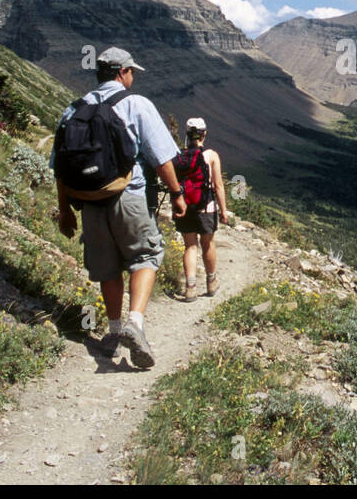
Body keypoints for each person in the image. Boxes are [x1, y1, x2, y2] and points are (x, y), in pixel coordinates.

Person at [52, 47, 186, 368]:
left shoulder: (73, 111)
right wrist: (177, 193)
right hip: (129, 195)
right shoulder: (136, 104)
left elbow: (61, 168)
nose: (133, 77)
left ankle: (112, 333)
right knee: (145, 256)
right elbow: (162, 157)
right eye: (132, 72)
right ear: (121, 72)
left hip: (89, 202)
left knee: (107, 267)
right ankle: (135, 324)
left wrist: (66, 211)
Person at [173, 117, 228, 301]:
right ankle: (211, 282)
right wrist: (223, 210)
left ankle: (190, 288)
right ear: (204, 134)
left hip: (185, 206)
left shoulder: (179, 156)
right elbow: (218, 186)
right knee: (208, 244)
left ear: (187, 134)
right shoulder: (211, 156)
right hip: (206, 207)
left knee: (190, 246)